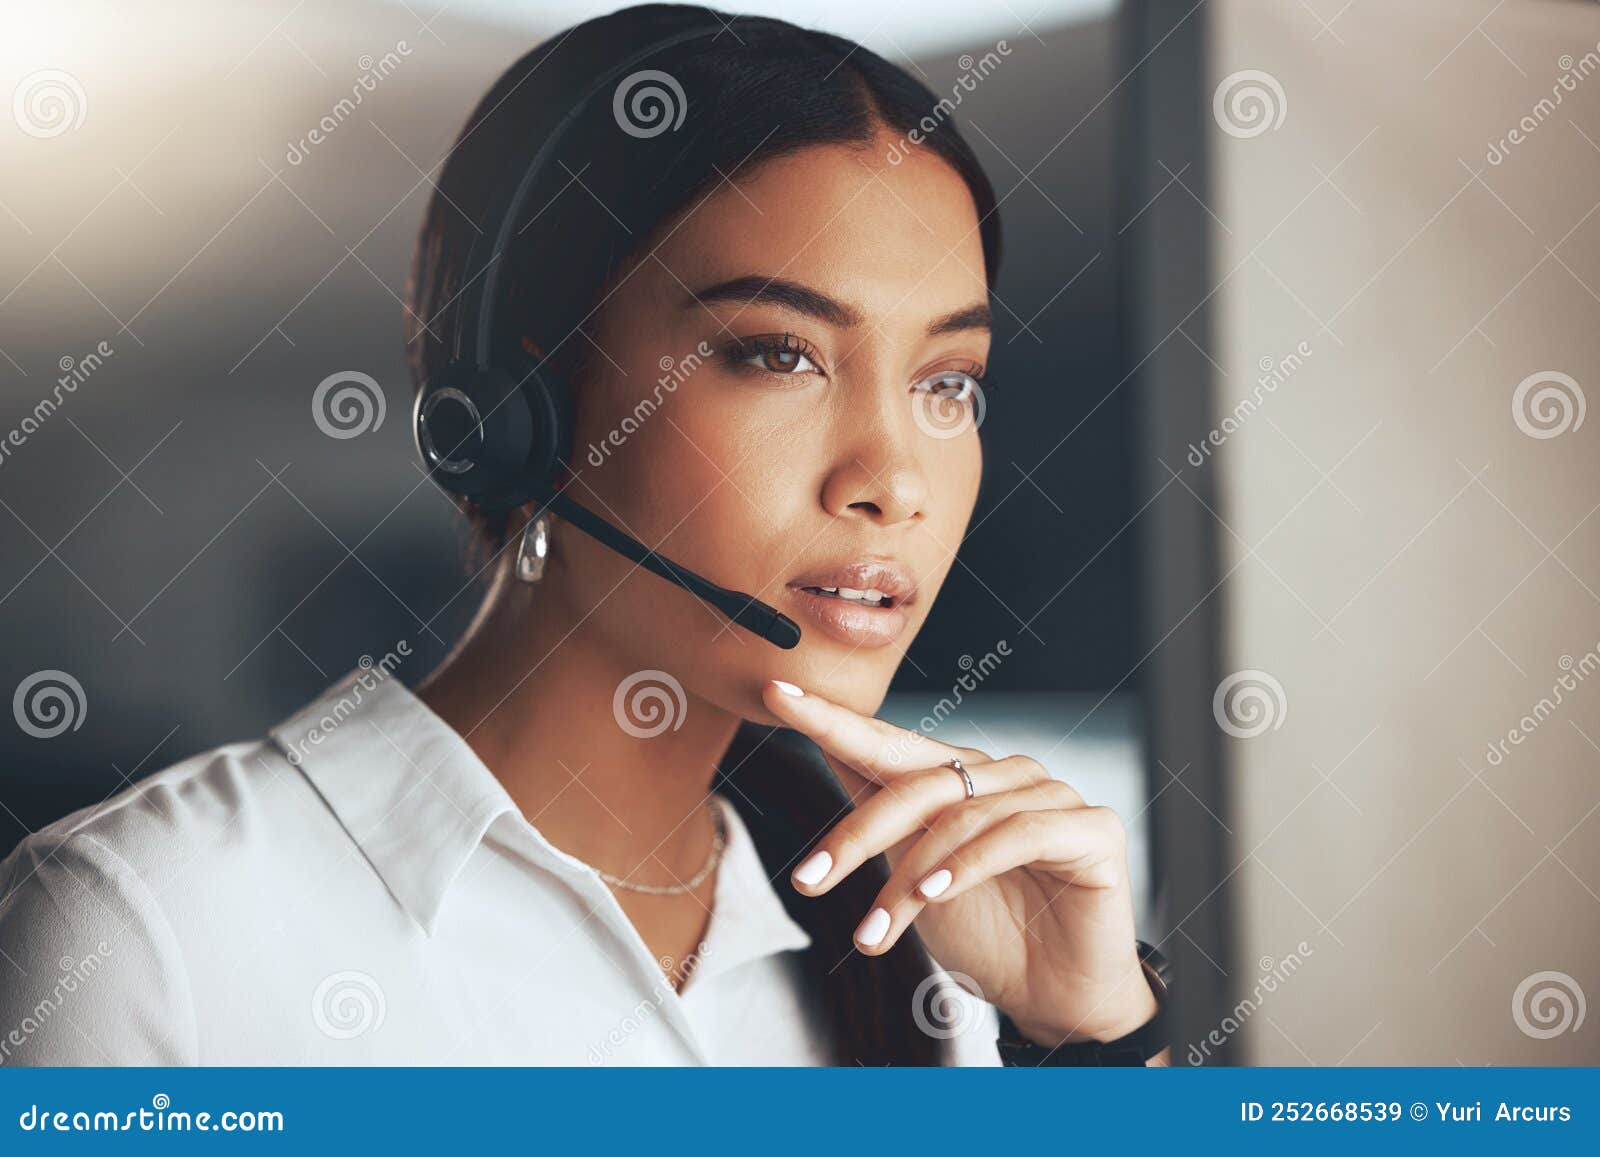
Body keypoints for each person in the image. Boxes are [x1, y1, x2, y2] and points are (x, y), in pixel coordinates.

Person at [0, 3, 1164, 1066]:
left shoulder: (936, 955)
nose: (893, 482)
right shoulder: (150, 924)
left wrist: (1089, 1035)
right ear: (518, 415)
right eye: (778, 354)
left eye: (947, 382)